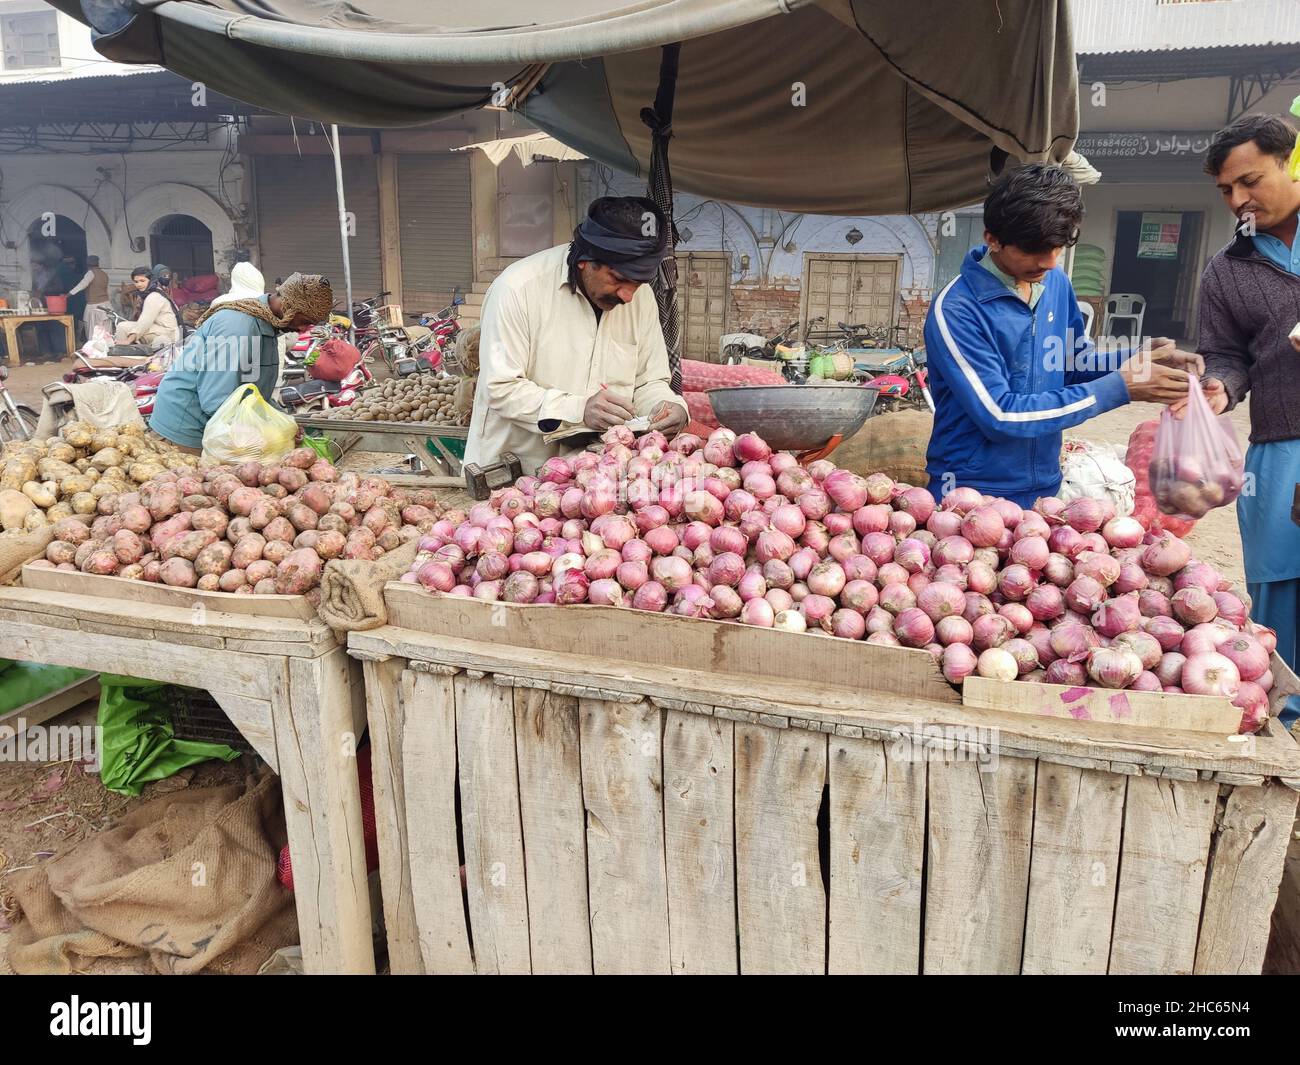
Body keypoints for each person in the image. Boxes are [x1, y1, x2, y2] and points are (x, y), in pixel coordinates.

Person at [923, 163, 1201, 508]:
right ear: (992, 238)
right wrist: (1120, 388)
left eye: (1057, 247)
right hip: (970, 495)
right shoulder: (957, 309)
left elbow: (1072, 361)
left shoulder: (1055, 282)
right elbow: (1000, 415)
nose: (1051, 262)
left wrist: (1141, 358)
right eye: (1034, 249)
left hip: (1045, 488)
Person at [464, 195, 688, 475]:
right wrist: (579, 409)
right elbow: (500, 387)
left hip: (591, 478)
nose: (628, 296)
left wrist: (670, 407)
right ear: (584, 261)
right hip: (514, 476)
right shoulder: (517, 289)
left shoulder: (640, 300)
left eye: (639, 283)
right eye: (618, 279)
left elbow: (648, 380)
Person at [1195, 113, 1300, 710]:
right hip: (1280, 443)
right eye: (1226, 190)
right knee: (1278, 581)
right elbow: (1226, 353)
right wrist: (1221, 387)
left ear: (1291, 162)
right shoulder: (1227, 270)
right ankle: (1285, 711)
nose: (1238, 200)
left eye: (1250, 181)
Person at [150, 272, 334, 452]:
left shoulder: (267, 326)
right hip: (187, 424)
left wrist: (284, 421)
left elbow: (254, 394)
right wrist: (267, 431)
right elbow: (216, 399)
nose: (302, 329)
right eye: (304, 320)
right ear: (288, 305)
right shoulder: (237, 327)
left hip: (216, 422)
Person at [114, 264, 182, 351]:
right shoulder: (151, 293)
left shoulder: (154, 296)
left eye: (142, 281)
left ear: (150, 280)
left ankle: (124, 354)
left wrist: (128, 340)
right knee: (124, 326)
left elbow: (145, 321)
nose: (139, 284)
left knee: (122, 327)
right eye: (136, 282)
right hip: (159, 329)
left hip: (168, 332)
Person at [67, 254, 112, 337]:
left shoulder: (90, 273)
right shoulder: (104, 274)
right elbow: (108, 291)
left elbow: (82, 285)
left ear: (87, 264)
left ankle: (94, 348)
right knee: (106, 331)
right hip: (106, 305)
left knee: (93, 331)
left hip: (94, 307)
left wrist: (69, 294)